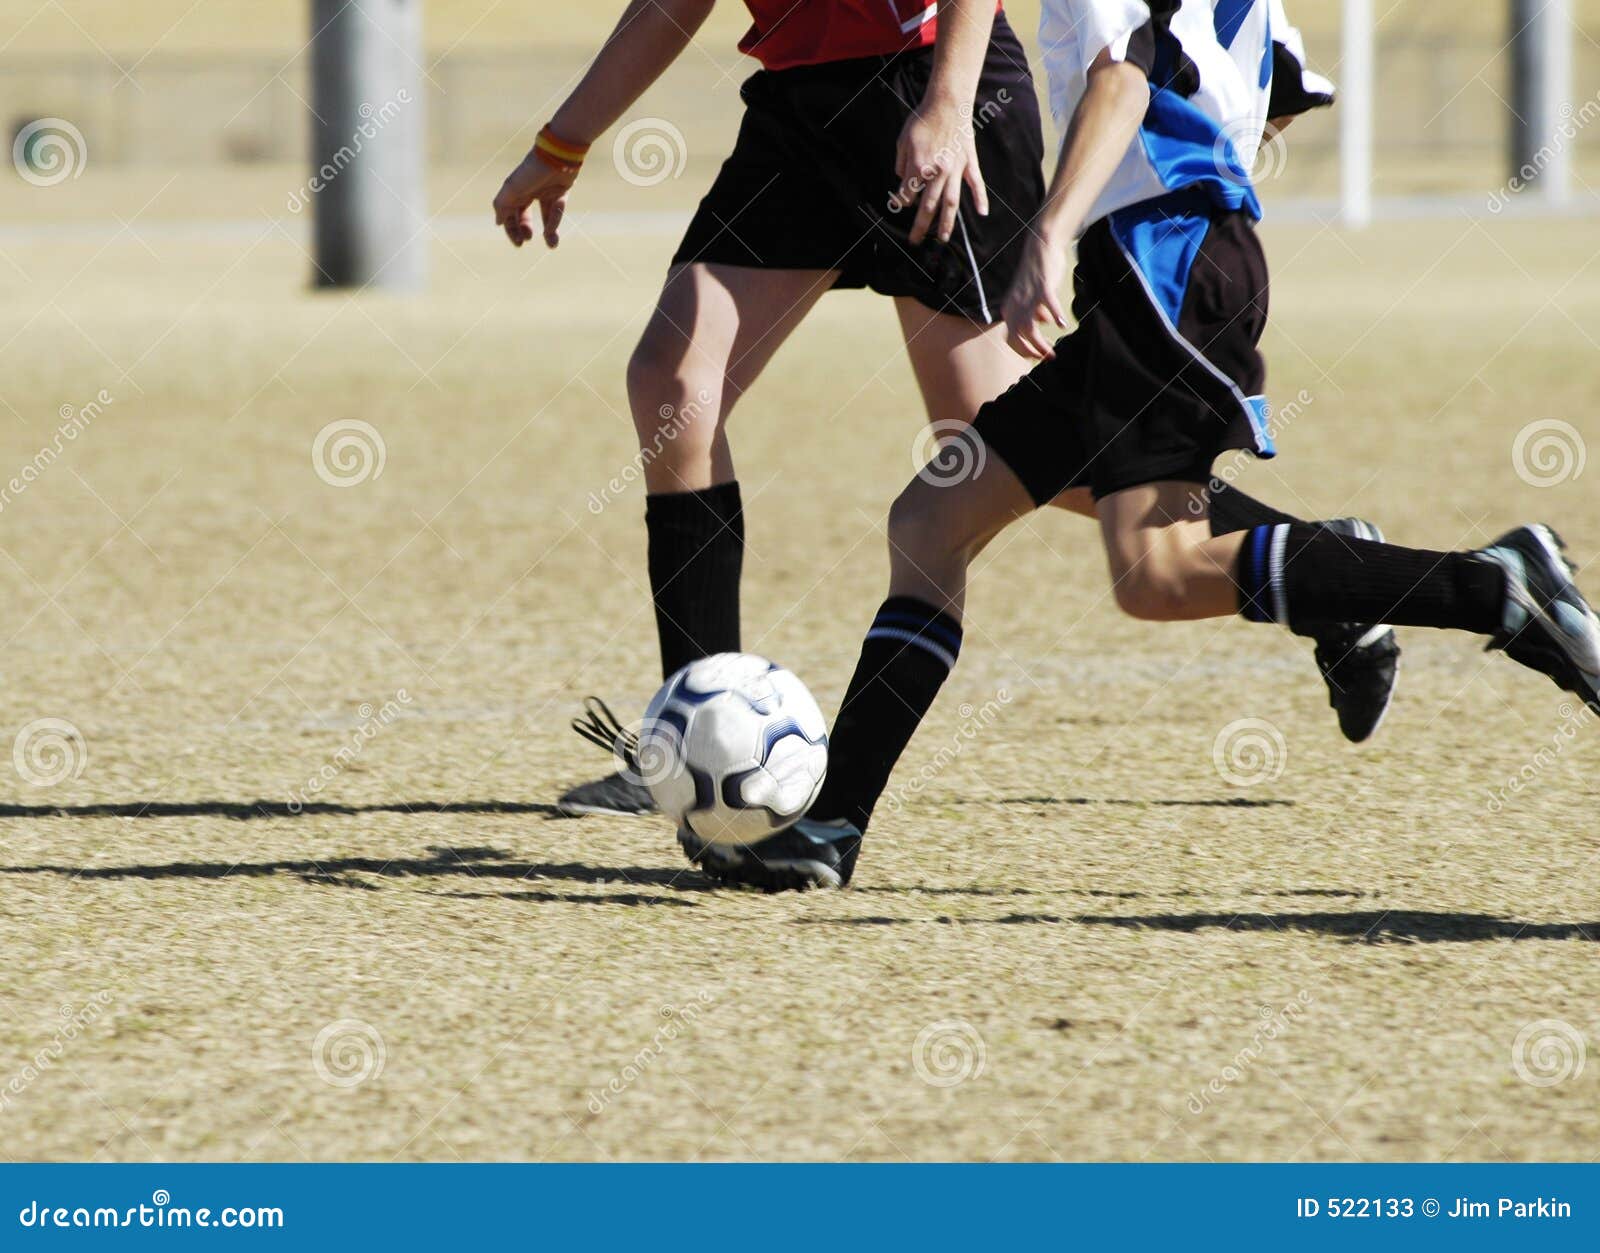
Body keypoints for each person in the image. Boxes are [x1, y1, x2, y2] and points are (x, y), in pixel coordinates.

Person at [680, 0, 1600, 891]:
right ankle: (833, 826)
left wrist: (1049, 228)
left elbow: (1122, 74)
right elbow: (1279, 81)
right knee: (930, 519)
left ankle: (1492, 586)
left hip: (1167, 264)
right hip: (1163, 259)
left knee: (1154, 574)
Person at [492, 0, 1396, 820]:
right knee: (671, 384)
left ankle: (1323, 569)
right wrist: (561, 145)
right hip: (800, 111)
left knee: (984, 435)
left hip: (933, 94)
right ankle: (699, 743)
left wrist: (950, 103)